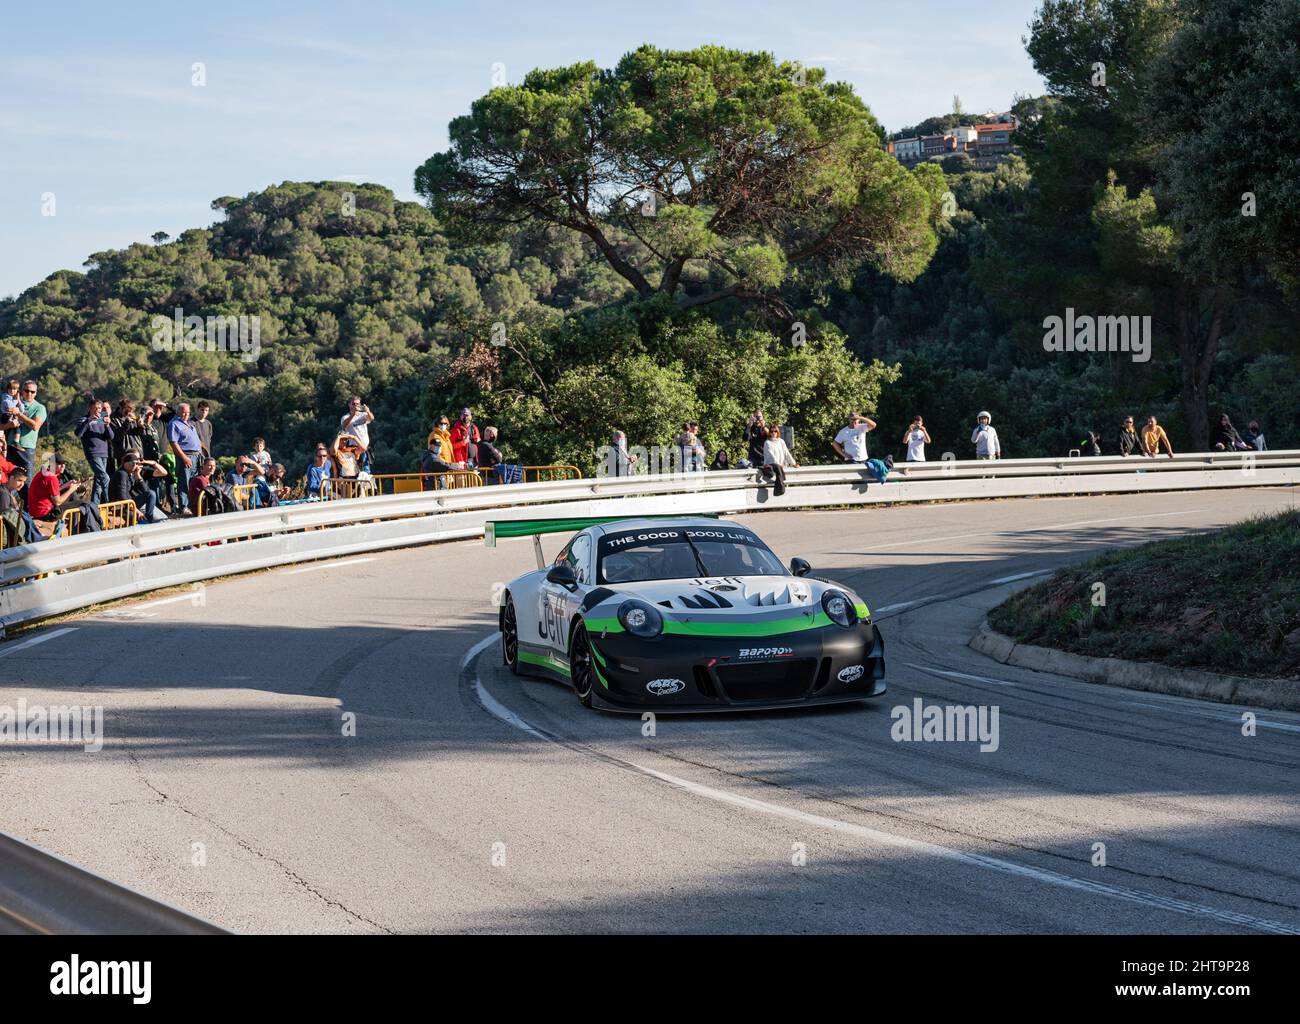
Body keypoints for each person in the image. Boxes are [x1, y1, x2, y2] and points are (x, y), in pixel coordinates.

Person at [74, 397, 116, 504]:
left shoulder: (102, 419)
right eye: (95, 408)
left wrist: (107, 425)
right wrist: (89, 421)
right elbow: (78, 434)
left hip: (104, 453)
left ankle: (95, 506)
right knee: (105, 477)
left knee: (99, 482)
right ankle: (111, 502)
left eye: (99, 408)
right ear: (90, 408)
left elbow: (111, 436)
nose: (98, 410)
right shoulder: (84, 420)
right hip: (93, 454)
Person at [108, 452, 169, 523]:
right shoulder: (122, 474)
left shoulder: (136, 472)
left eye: (137, 462)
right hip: (121, 507)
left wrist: (139, 477)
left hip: (136, 504)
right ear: (125, 463)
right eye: (132, 462)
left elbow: (147, 491)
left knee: (163, 519)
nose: (135, 465)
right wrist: (137, 511)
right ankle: (148, 521)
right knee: (142, 519)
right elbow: (122, 497)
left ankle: (149, 519)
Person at [28, 455, 83, 529]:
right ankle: (75, 529)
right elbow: (57, 502)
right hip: (45, 514)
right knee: (79, 503)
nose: (63, 466)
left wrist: (66, 485)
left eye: (64, 464)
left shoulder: (43, 473)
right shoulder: (52, 478)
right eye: (60, 464)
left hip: (36, 512)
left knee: (70, 493)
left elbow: (49, 492)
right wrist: (71, 489)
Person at [167, 402, 204, 511]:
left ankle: (194, 506)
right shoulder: (174, 424)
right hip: (186, 456)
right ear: (178, 412)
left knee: (195, 482)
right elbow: (174, 443)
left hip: (197, 457)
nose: (186, 415)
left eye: (188, 413)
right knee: (184, 483)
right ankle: (184, 507)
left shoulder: (189, 423)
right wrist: (184, 457)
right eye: (183, 412)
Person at [12, 380, 47, 484]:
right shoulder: (13, 403)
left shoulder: (39, 408)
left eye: (32, 392)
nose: (29, 394)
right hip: (9, 447)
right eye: (27, 391)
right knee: (8, 483)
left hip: (26, 449)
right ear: (21, 391)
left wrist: (19, 415)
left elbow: (35, 426)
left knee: (26, 484)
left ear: (36, 393)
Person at [761, 424, 797, 497]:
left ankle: (778, 490)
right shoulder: (767, 442)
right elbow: (770, 455)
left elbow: (786, 453)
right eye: (771, 431)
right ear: (769, 433)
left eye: (775, 431)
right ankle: (780, 489)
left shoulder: (781, 441)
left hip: (780, 466)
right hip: (771, 465)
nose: (773, 433)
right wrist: (778, 464)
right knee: (778, 469)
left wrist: (793, 463)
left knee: (779, 470)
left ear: (778, 432)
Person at [341, 396, 375, 470]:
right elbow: (344, 425)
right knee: (354, 472)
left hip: (364, 449)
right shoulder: (346, 417)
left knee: (366, 472)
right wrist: (353, 414)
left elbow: (371, 418)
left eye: (358, 404)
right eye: (353, 404)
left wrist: (368, 411)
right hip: (354, 449)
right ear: (349, 405)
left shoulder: (363, 415)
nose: (356, 406)